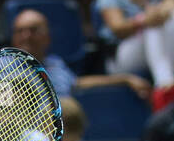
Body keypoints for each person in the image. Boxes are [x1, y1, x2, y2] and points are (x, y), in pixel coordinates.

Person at [9, 8, 151, 100]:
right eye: (20, 31)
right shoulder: (0, 66)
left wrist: (124, 79)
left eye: (33, 30)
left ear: (47, 37)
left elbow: (78, 84)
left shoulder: (55, 63)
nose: (26, 36)